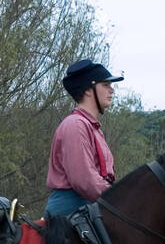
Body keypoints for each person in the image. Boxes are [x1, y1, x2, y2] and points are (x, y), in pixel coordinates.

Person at [45, 59, 123, 218]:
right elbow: (84, 182)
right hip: (71, 212)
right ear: (88, 90)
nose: (112, 90)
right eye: (106, 85)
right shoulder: (75, 125)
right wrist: (119, 199)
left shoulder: (90, 126)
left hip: (89, 207)